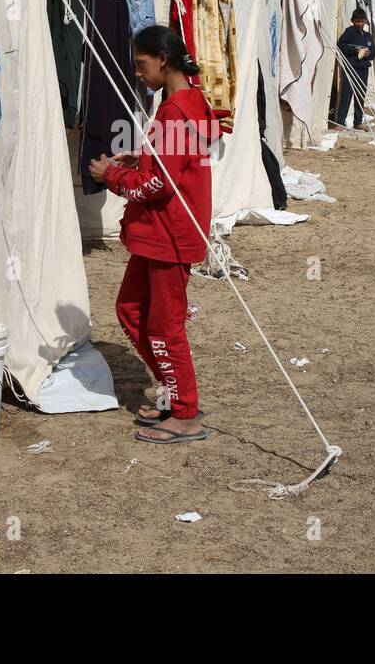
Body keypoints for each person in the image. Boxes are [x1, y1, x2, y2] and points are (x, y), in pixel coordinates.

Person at [88, 25, 217, 444]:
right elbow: (171, 165)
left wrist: (113, 175)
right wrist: (139, 159)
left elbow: (158, 185)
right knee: (130, 309)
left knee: (165, 327)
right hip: (159, 233)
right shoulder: (190, 100)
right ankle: (172, 392)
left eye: (142, 64)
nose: (138, 74)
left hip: (170, 234)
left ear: (163, 59)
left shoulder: (177, 110)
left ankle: (185, 414)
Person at [335, 8, 375, 130]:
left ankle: (358, 122)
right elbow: (341, 46)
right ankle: (340, 122)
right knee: (347, 95)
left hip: (363, 69)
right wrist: (355, 50)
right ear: (353, 21)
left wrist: (368, 53)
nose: (359, 24)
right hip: (352, 68)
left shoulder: (368, 36)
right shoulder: (349, 32)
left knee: (360, 95)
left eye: (362, 21)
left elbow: (374, 54)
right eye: (357, 21)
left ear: (365, 22)